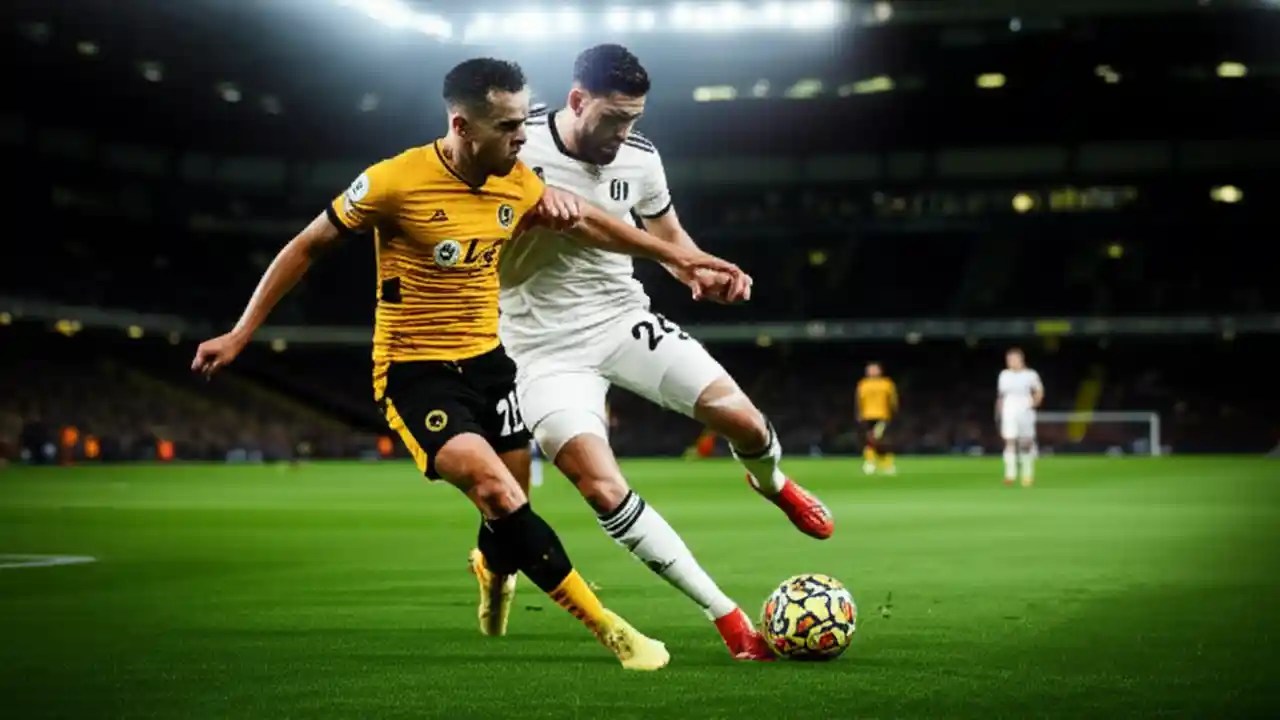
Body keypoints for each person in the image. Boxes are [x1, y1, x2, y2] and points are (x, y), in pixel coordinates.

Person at [191, 57, 742, 671]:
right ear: (463, 126)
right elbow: (307, 245)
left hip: (490, 364)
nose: (523, 137)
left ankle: (491, 567)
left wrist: (683, 260)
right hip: (415, 372)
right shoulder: (393, 182)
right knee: (500, 493)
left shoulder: (516, 179)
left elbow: (593, 224)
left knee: (505, 512)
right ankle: (612, 630)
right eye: (509, 126)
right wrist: (242, 333)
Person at [491, 44, 834, 661]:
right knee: (601, 486)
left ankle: (772, 481)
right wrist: (680, 261)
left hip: (623, 319)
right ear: (577, 101)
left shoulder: (642, 159)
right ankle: (725, 615)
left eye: (635, 120)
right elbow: (580, 225)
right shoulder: (517, 149)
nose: (624, 133)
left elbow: (669, 238)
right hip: (541, 351)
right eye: (613, 118)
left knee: (745, 421)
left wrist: (698, 273)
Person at [996, 348, 1044, 486]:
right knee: (1009, 441)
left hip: (1025, 410)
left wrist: (1033, 404)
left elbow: (1039, 391)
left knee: (1025, 442)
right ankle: (1010, 474)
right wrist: (999, 412)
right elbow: (1001, 396)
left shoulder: (1030, 374)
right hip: (1009, 410)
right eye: (1008, 359)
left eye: (1013, 359)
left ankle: (1027, 475)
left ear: (1021, 360)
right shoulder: (1004, 375)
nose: (1010, 362)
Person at [856, 362, 898, 475]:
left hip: (882, 415)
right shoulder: (863, 384)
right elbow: (859, 400)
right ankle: (873, 463)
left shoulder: (887, 384)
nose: (872, 372)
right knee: (870, 440)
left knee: (878, 439)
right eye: (870, 370)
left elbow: (893, 400)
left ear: (880, 371)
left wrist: (893, 412)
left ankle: (884, 464)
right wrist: (859, 413)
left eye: (875, 369)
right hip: (867, 416)